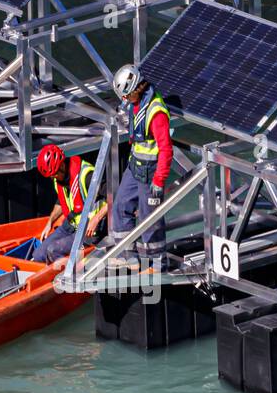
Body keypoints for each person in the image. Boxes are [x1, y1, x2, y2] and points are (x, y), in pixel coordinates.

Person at [110, 63, 173, 270]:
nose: (125, 100)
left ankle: (156, 261)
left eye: (126, 95)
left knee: (150, 217)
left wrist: (159, 180)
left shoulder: (156, 113)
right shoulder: (136, 105)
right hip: (134, 166)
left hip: (151, 172)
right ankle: (127, 253)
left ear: (136, 88)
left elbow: (165, 150)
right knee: (121, 204)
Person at [30, 144, 108, 265]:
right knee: (38, 254)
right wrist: (50, 222)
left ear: (62, 165)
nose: (53, 178)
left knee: (53, 250)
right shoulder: (58, 179)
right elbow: (61, 201)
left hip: (90, 230)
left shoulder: (87, 177)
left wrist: (96, 219)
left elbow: (115, 197)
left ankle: (68, 278)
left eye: (55, 174)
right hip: (72, 224)